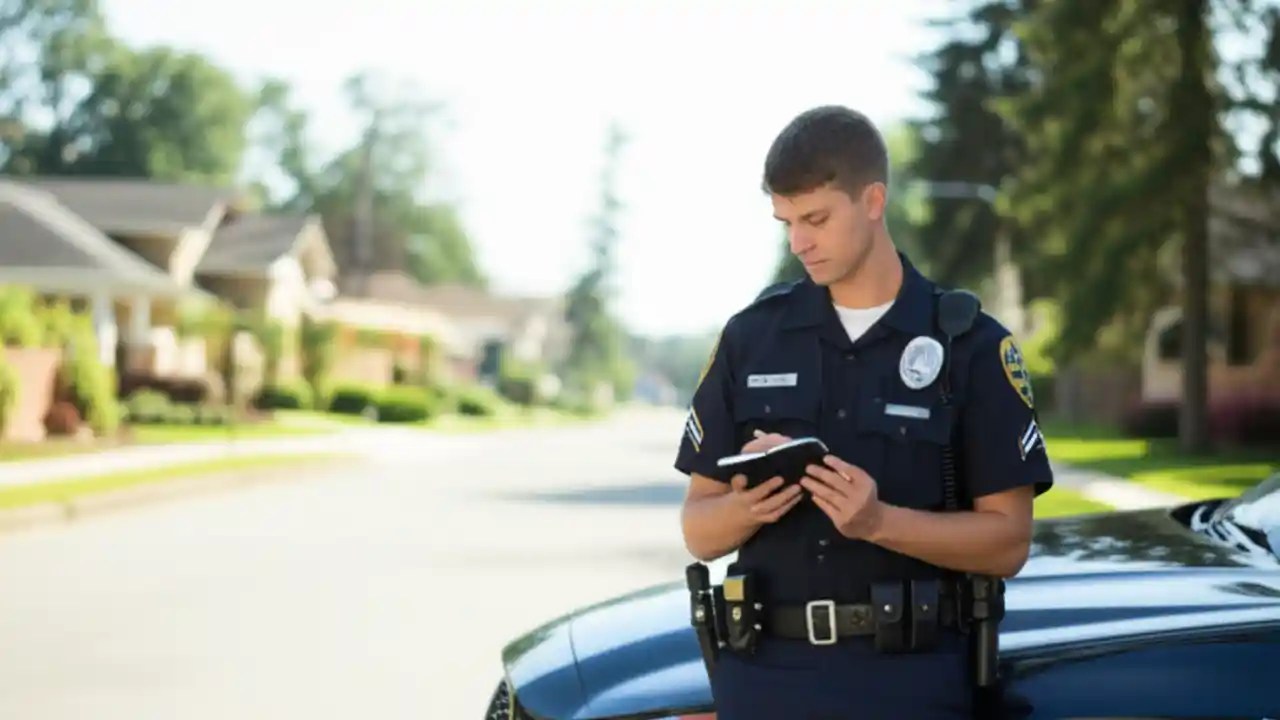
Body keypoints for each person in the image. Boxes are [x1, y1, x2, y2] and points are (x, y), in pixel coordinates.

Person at [674, 105, 1053, 720]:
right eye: (787, 222)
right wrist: (746, 509)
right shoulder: (752, 338)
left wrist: (879, 521)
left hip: (910, 685)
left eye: (816, 218)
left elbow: (1007, 541)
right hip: (766, 682)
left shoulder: (970, 346)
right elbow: (697, 529)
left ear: (873, 200)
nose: (799, 242)